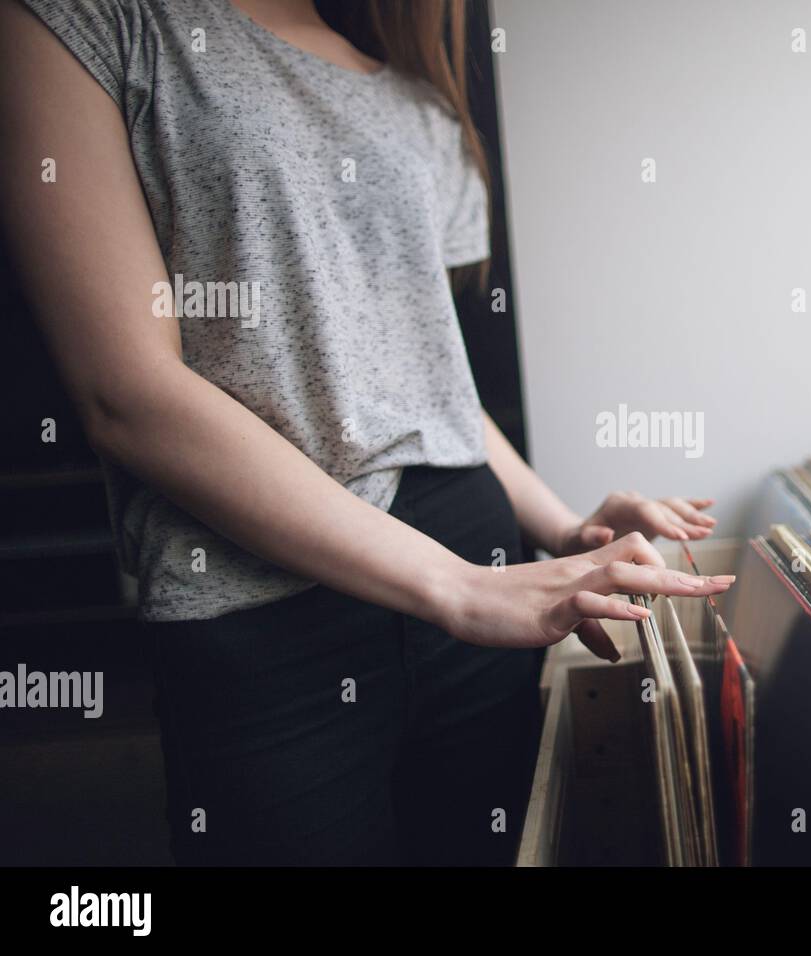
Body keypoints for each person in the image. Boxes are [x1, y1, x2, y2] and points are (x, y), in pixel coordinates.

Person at [0, 0, 733, 865]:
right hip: (261, 600)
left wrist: (563, 529)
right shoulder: (91, 21)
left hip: (474, 555)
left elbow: (428, 383)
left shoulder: (415, 95)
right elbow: (126, 392)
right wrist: (457, 588)